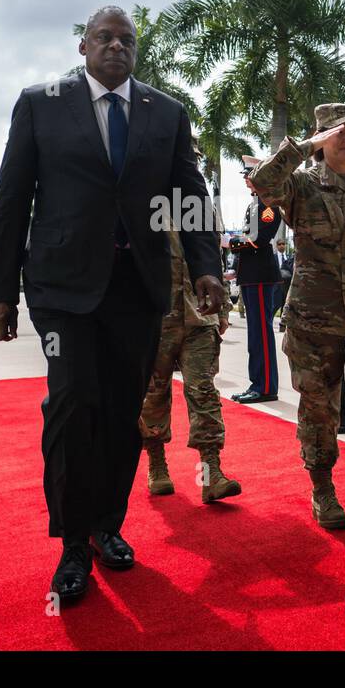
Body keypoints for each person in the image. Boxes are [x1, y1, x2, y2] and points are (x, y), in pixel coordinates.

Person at [0, 5, 225, 604]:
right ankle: (69, 544)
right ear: (83, 45)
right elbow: (11, 196)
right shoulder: (41, 102)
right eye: (104, 38)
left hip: (136, 290)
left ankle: (105, 526)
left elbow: (188, 191)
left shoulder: (165, 113)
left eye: (126, 40)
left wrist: (207, 268)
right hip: (62, 290)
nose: (116, 46)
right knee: (71, 405)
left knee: (122, 413)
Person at [250, 104, 345, 531]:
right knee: (319, 409)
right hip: (314, 320)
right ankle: (322, 490)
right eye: (340, 132)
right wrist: (304, 146)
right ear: (321, 139)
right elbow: (263, 181)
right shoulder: (300, 187)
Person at [139, 200, 240, 502]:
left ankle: (211, 476)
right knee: (154, 393)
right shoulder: (142, 198)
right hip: (156, 317)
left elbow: (213, 257)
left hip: (199, 316)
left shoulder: (199, 205)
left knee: (204, 392)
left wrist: (222, 311)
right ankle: (157, 466)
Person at [228, 156, 282, 404]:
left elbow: (259, 239)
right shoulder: (254, 205)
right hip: (251, 275)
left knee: (261, 333)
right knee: (254, 334)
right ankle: (257, 382)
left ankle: (266, 385)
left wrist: (231, 242)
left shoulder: (269, 204)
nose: (247, 179)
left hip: (261, 275)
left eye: (250, 174)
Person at [274, 236, 294, 329]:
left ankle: (282, 325)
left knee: (285, 305)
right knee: (275, 304)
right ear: (276, 246)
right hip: (276, 285)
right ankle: (267, 321)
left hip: (286, 286)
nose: (281, 246)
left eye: (283, 244)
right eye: (279, 244)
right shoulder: (273, 257)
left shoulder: (289, 257)